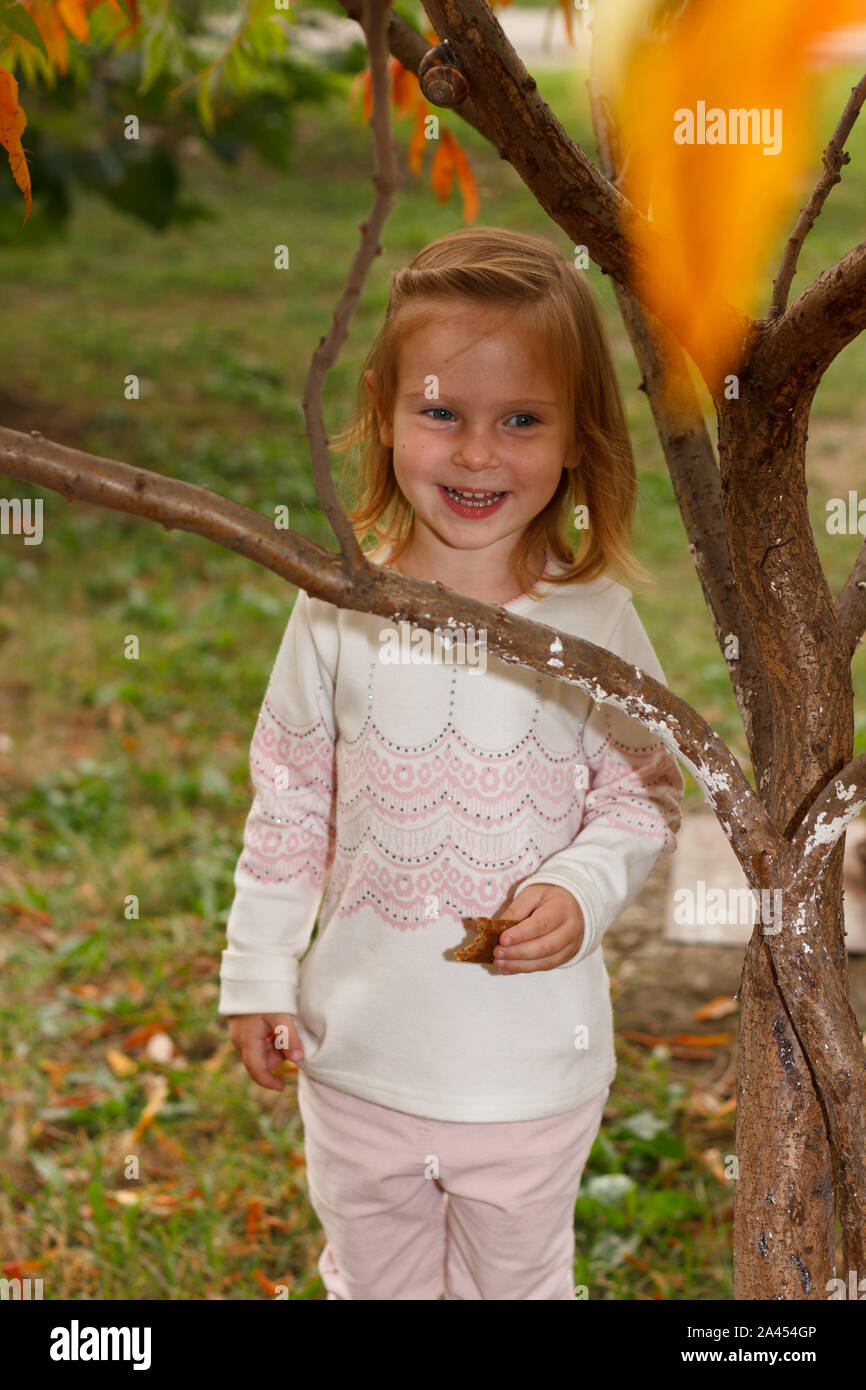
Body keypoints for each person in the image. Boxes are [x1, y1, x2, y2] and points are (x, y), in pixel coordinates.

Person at [219, 226, 685, 1300]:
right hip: (360, 1061)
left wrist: (578, 884)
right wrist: (257, 974)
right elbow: (288, 801)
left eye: (520, 420)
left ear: (577, 435)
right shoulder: (339, 610)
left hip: (528, 1076)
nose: (477, 455)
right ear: (385, 409)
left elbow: (642, 792)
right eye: (441, 414)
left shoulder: (593, 622)